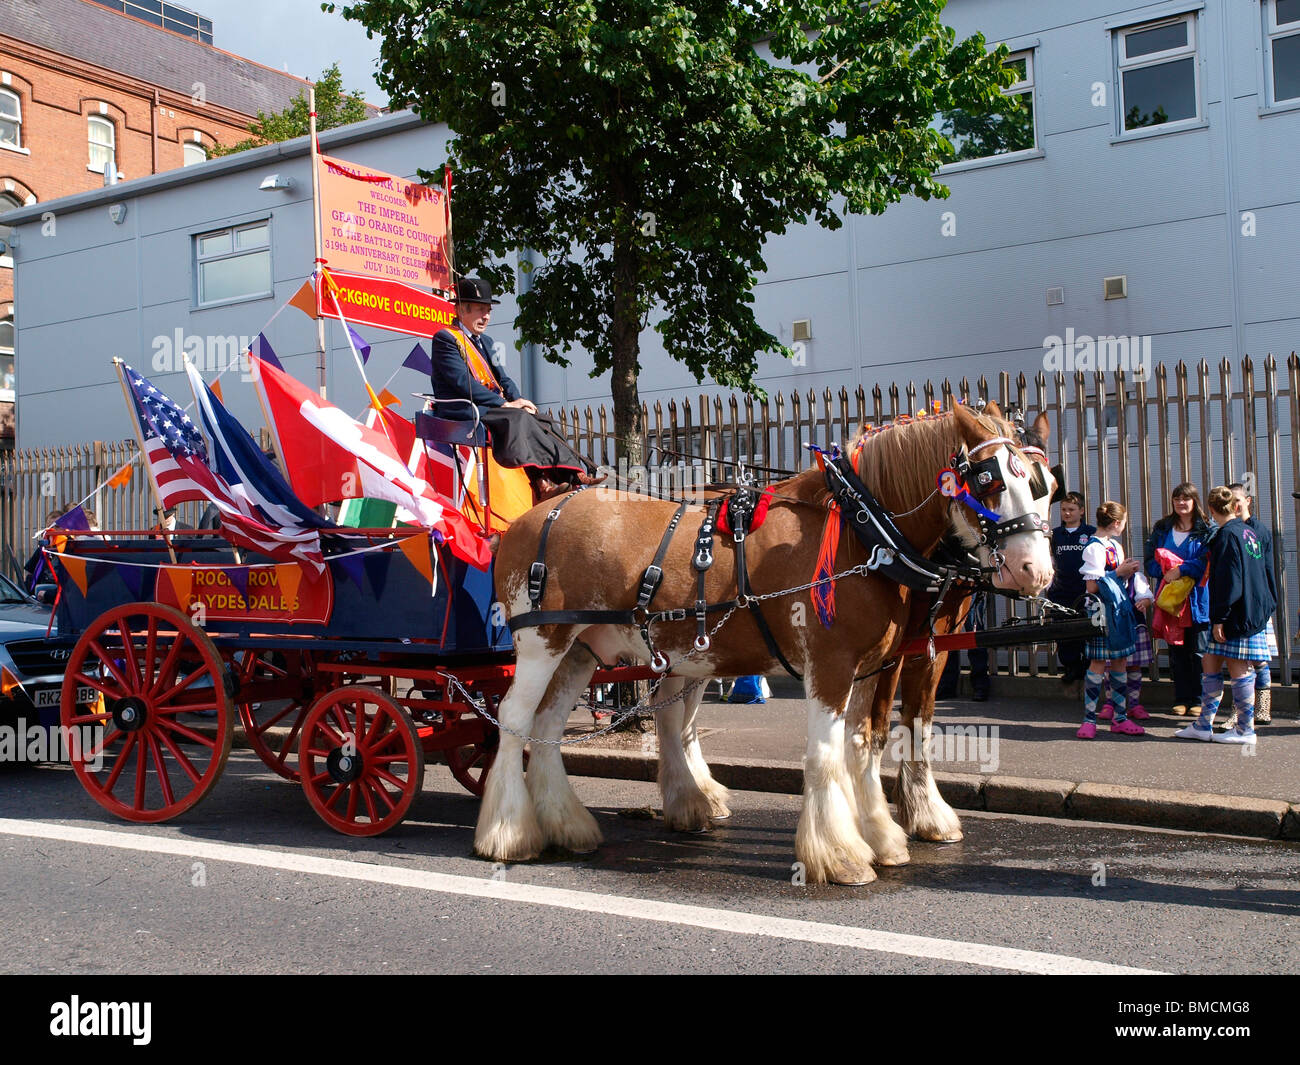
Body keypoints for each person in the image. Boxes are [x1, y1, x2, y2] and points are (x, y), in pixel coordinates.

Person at [429, 277, 602, 500]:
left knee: (542, 419)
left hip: (491, 406)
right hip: (463, 407)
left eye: (488, 311)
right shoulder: (445, 339)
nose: (487, 316)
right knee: (517, 418)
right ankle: (540, 484)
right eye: (481, 310)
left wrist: (520, 401)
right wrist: (506, 403)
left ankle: (572, 476)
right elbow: (462, 382)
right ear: (462, 309)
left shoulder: (488, 342)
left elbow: (504, 379)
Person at [1174, 486, 1276, 745]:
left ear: (1210, 509)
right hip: (1249, 610)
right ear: (1235, 506)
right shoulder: (1248, 532)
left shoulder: (1227, 536)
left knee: (1239, 669)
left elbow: (1230, 580)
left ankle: (1245, 730)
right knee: (1210, 662)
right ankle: (1203, 725)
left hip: (1236, 614)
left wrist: (1220, 617)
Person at [1076, 501, 1149, 739]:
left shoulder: (1115, 546)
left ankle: (1120, 717)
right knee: (1098, 664)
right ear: (1117, 523)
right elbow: (1091, 586)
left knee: (1120, 662)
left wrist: (1128, 575)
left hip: (1119, 610)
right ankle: (1089, 720)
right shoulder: (1093, 547)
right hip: (1100, 612)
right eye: (1124, 522)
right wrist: (1119, 573)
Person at [1143, 483, 1213, 716]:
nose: (1181, 503)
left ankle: (1198, 699)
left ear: (1195, 501)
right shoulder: (1162, 528)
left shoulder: (1205, 528)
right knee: (1177, 651)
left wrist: (1181, 570)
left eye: (1186, 498)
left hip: (1197, 599)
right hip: (1171, 600)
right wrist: (1163, 571)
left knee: (1198, 651)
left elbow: (1207, 560)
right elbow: (1149, 560)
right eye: (1177, 499)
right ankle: (1181, 698)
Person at [1223, 482, 1275, 726]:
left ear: (1247, 501)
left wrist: (1268, 602)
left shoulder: (1258, 530)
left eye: (1238, 500)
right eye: (1229, 501)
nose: (1234, 505)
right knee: (1240, 661)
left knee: (1258, 658)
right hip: (1240, 606)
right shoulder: (1228, 529)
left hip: (1258, 603)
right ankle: (1241, 711)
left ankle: (1263, 707)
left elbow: (1265, 569)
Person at [1048, 491, 1095, 694]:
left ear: (1082, 511)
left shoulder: (1090, 533)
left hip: (1084, 590)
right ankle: (1070, 666)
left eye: (1071, 510)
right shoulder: (1055, 534)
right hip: (1061, 591)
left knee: (1087, 630)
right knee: (1063, 631)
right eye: (1064, 510)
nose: (1067, 513)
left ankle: (1088, 665)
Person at [936, 590, 990, 701]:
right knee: (949, 636)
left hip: (971, 586)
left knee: (973, 635)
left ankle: (980, 685)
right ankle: (948, 685)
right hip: (952, 586)